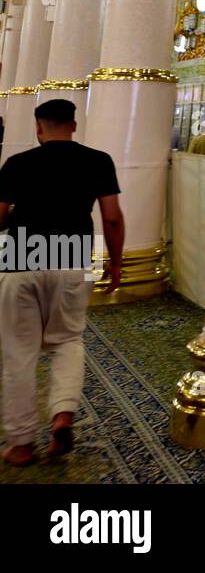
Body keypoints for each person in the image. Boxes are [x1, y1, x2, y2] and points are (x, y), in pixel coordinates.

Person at [0, 98, 124, 467]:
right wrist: (115, 265)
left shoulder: (17, 164)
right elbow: (113, 218)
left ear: (38, 127)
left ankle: (21, 444)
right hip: (76, 256)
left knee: (18, 352)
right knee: (68, 338)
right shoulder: (98, 160)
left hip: (20, 257)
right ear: (73, 124)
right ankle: (63, 415)